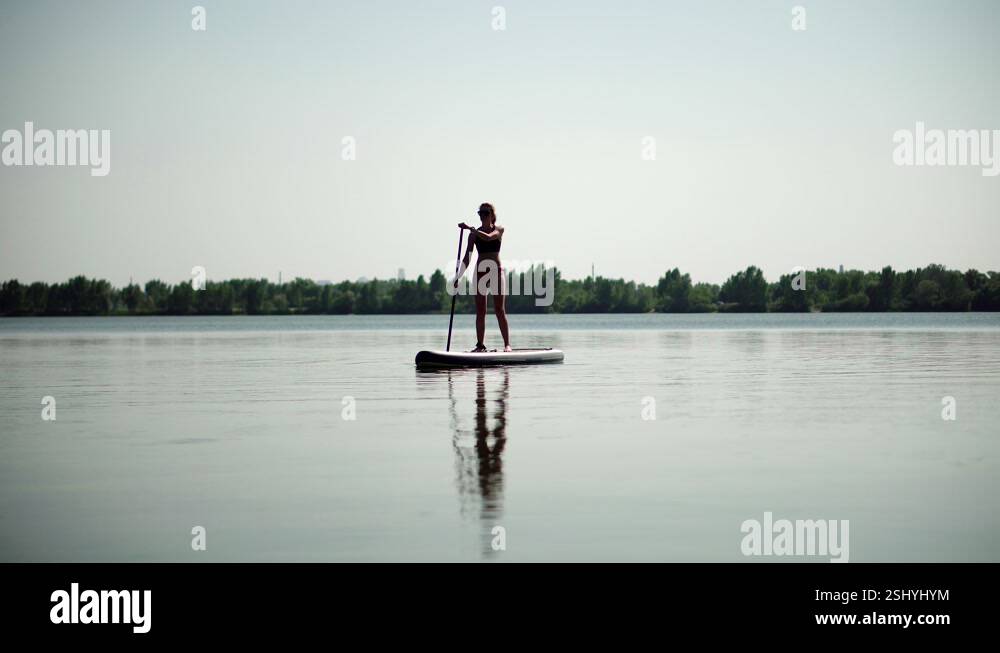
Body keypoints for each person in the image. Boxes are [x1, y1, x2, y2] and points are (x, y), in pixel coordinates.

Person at [457, 203, 511, 352]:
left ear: (492, 215)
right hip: (480, 273)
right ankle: (480, 345)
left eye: (486, 213)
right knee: (481, 311)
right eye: (480, 213)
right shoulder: (473, 235)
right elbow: (467, 257)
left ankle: (507, 345)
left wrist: (470, 229)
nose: (483, 216)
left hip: (496, 271)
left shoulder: (499, 229)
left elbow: (488, 238)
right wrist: (458, 276)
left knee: (500, 309)